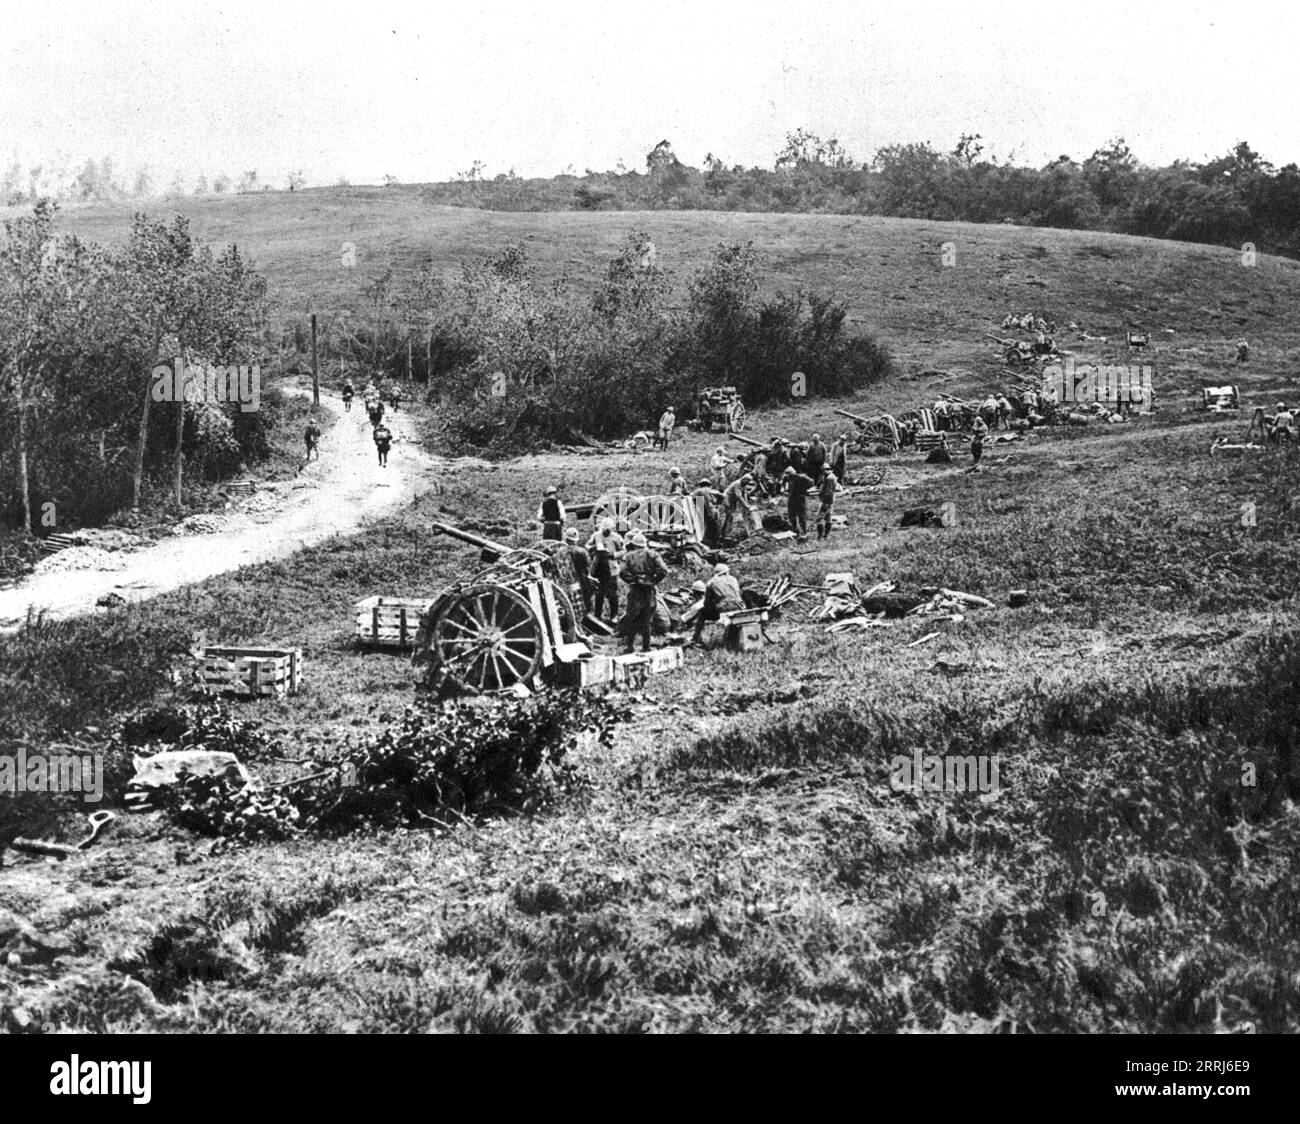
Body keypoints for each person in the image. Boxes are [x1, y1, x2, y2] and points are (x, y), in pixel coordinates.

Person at [619, 532, 668, 654]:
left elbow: (622, 572)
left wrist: (633, 581)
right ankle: (646, 647)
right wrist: (654, 580)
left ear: (634, 544)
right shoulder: (653, 555)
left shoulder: (628, 556)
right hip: (649, 590)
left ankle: (630, 646)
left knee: (631, 618)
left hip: (635, 590)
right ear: (645, 544)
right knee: (647, 621)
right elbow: (663, 570)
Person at [690, 562, 745, 646]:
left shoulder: (711, 582)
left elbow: (706, 602)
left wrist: (713, 604)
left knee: (702, 612)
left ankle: (696, 638)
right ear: (726, 572)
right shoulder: (733, 579)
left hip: (724, 609)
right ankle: (732, 640)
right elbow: (737, 594)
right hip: (740, 607)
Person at [585, 518, 624, 620]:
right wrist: (593, 548)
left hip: (611, 568)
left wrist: (614, 554)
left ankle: (613, 616)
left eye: (608, 530)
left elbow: (623, 551)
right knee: (599, 593)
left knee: (613, 594)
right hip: (599, 567)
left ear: (611, 529)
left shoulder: (617, 538)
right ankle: (598, 615)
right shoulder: (596, 535)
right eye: (604, 530)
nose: (605, 531)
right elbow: (587, 545)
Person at [563, 527, 592, 614]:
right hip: (580, 578)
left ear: (566, 539)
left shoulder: (560, 551)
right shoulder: (582, 551)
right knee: (585, 596)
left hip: (567, 579)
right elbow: (588, 565)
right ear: (576, 540)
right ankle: (586, 615)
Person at [783, 465, 815, 541]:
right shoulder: (788, 478)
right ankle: (794, 531)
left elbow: (811, 482)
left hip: (800, 499)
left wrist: (804, 489)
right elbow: (784, 484)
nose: (789, 476)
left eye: (790, 474)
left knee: (801, 516)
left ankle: (804, 532)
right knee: (791, 516)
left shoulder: (801, 477)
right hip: (791, 499)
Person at [721, 473, 756, 540]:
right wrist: (746, 506)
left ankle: (727, 534)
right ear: (744, 479)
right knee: (727, 517)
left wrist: (747, 505)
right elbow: (739, 496)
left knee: (730, 518)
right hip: (727, 500)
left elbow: (744, 495)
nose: (748, 483)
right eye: (747, 481)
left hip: (732, 501)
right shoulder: (738, 484)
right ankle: (724, 535)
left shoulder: (743, 484)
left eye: (749, 482)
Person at [691, 478, 722, 549]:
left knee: (703, 527)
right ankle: (715, 544)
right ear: (709, 485)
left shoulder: (697, 491)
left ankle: (704, 543)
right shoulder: (712, 491)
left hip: (701, 510)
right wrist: (717, 503)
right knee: (714, 527)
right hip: (712, 510)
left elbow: (690, 498)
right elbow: (722, 496)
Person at [815, 467, 837, 540]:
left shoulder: (829, 478)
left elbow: (829, 492)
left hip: (826, 501)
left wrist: (825, 502)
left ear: (829, 470)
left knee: (819, 519)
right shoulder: (829, 477)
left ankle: (820, 536)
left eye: (825, 470)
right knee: (828, 518)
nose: (823, 472)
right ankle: (826, 536)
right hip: (829, 501)